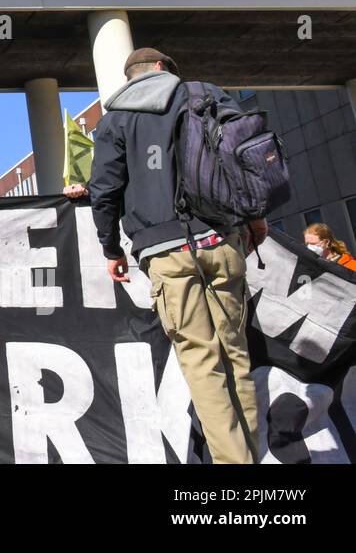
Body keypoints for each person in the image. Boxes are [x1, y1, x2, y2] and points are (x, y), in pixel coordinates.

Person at [88, 47, 263, 464]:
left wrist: (110, 247)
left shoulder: (115, 121)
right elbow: (246, 155)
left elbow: (105, 191)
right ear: (165, 69)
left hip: (165, 253)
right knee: (235, 354)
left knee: (203, 362)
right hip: (221, 238)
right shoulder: (205, 95)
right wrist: (255, 217)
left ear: (131, 78)